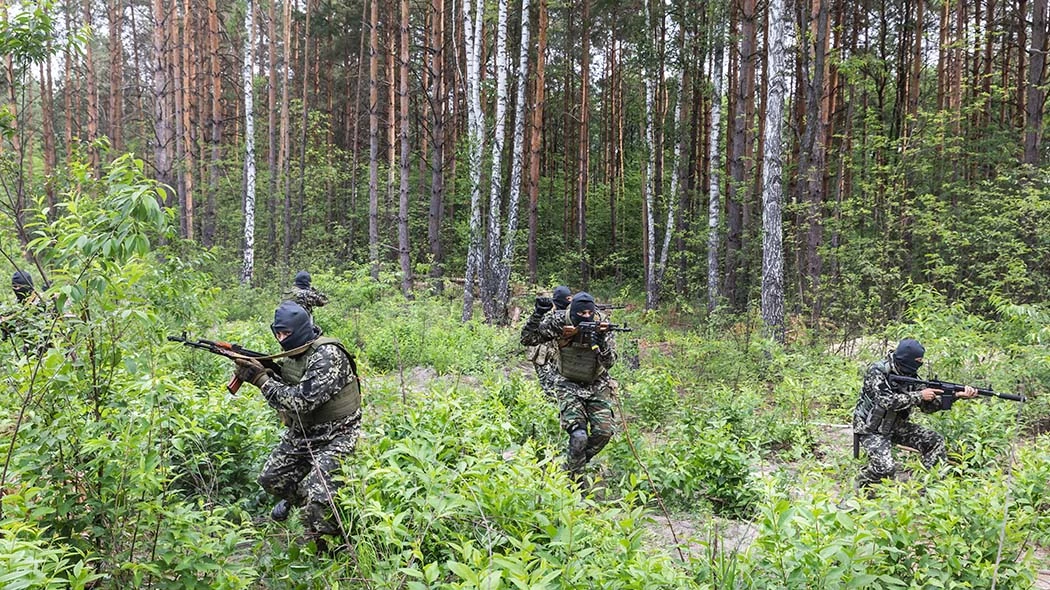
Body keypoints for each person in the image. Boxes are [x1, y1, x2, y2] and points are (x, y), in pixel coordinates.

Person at [233, 301, 361, 551]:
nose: (281, 340)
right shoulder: (295, 354)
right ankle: (307, 503)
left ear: (302, 330)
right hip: (304, 432)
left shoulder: (327, 355)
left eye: (286, 334)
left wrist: (261, 380)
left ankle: (330, 544)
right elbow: (291, 382)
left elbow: (302, 401)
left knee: (318, 497)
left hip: (338, 433)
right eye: (277, 333)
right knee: (271, 479)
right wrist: (268, 372)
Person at [853, 338, 977, 489]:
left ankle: (928, 488)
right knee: (885, 468)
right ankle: (860, 482)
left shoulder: (911, 376)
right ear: (906, 358)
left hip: (895, 425)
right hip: (870, 427)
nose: (919, 364)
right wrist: (919, 395)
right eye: (917, 360)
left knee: (934, 441)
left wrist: (955, 396)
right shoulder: (878, 371)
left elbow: (927, 408)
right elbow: (886, 401)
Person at [520, 292, 617, 476]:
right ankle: (575, 482)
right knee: (579, 436)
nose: (587, 317)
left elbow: (610, 362)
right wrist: (538, 314)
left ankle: (571, 464)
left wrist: (601, 342)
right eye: (582, 314)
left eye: (590, 313)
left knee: (604, 433)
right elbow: (527, 339)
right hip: (567, 381)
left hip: (597, 383)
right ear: (573, 312)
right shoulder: (559, 322)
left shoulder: (602, 324)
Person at [521, 286, 572, 401]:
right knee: (549, 390)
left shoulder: (568, 315)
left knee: (557, 389)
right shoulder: (548, 314)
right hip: (543, 355)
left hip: (557, 356)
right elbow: (530, 335)